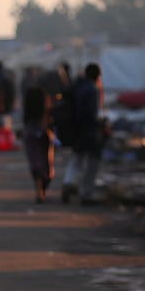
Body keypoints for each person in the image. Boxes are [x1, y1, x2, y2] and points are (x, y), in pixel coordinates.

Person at [63, 63, 105, 205]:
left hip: (75, 129)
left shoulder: (76, 86)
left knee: (77, 158)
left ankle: (68, 182)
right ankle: (86, 193)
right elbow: (91, 114)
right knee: (93, 162)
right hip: (89, 131)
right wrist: (101, 123)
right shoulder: (92, 90)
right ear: (97, 76)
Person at [23, 87, 54, 203]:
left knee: (36, 165)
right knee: (45, 165)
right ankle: (40, 191)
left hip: (33, 137)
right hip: (43, 136)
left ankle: (39, 190)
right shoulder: (45, 113)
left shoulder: (29, 114)